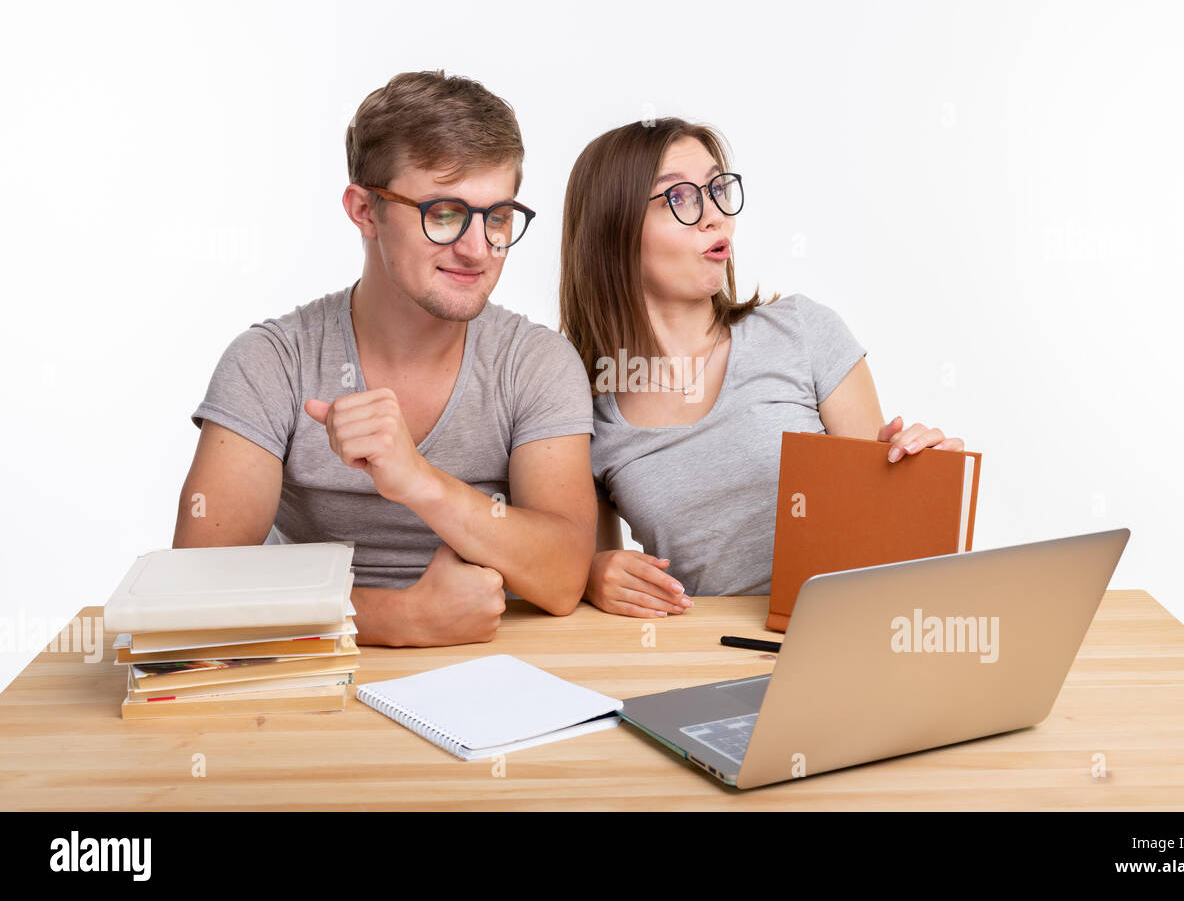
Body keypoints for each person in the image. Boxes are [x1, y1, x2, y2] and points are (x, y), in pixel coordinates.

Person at [175, 71, 597, 646]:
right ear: (364, 210)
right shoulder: (271, 362)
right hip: (315, 671)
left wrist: (419, 480)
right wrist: (399, 618)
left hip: (496, 667)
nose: (477, 250)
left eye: (497, 217)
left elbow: (565, 576)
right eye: (443, 213)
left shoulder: (537, 363)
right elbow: (192, 591)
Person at [559, 118, 964, 618]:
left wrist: (919, 482)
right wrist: (592, 576)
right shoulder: (583, 407)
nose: (716, 217)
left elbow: (882, 541)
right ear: (612, 230)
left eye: (717, 190)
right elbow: (591, 571)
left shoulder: (801, 331)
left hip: (838, 630)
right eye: (680, 198)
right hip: (703, 651)